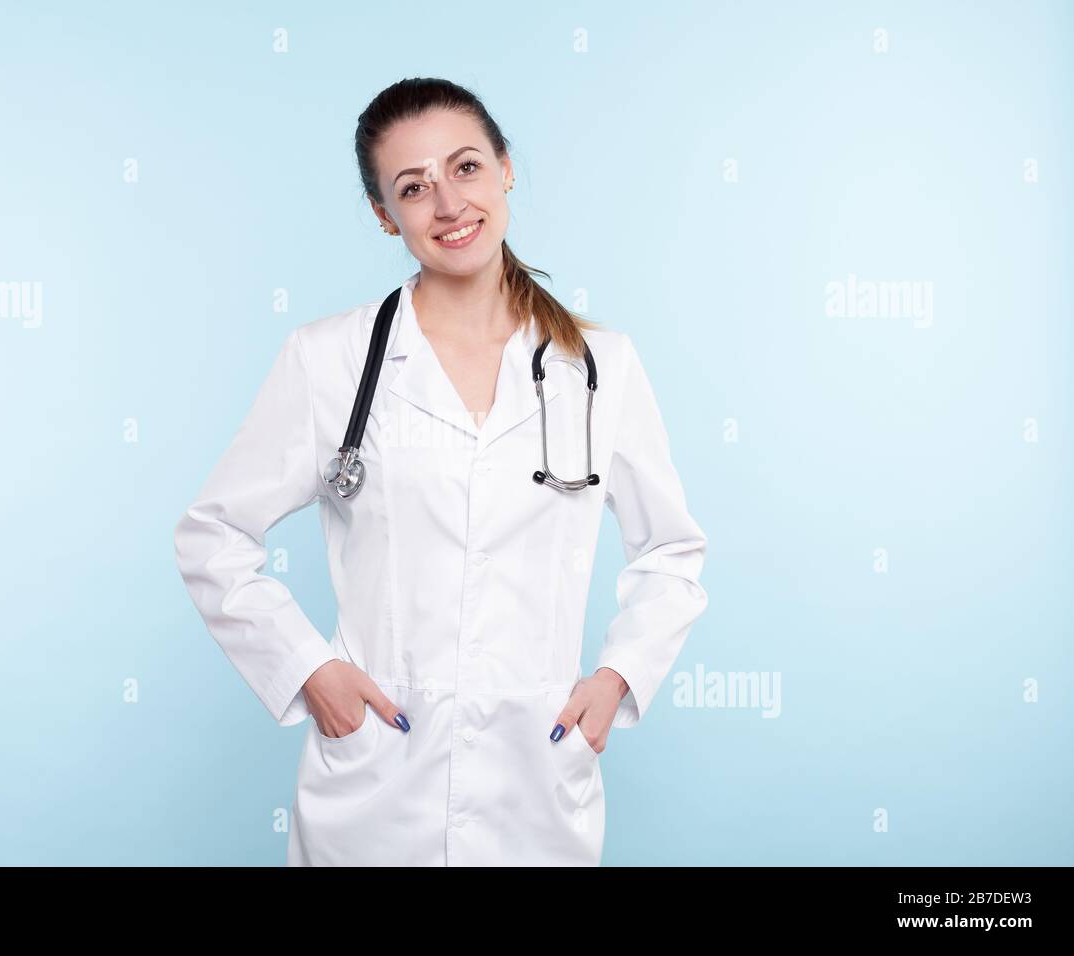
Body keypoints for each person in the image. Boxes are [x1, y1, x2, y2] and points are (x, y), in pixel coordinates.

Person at [173, 77, 708, 866]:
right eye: (413, 188)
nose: (448, 206)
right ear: (386, 216)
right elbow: (211, 536)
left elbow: (671, 553)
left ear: (505, 170)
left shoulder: (600, 368)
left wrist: (619, 677)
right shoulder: (329, 361)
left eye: (465, 169)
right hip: (376, 788)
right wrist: (307, 667)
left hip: (537, 787)